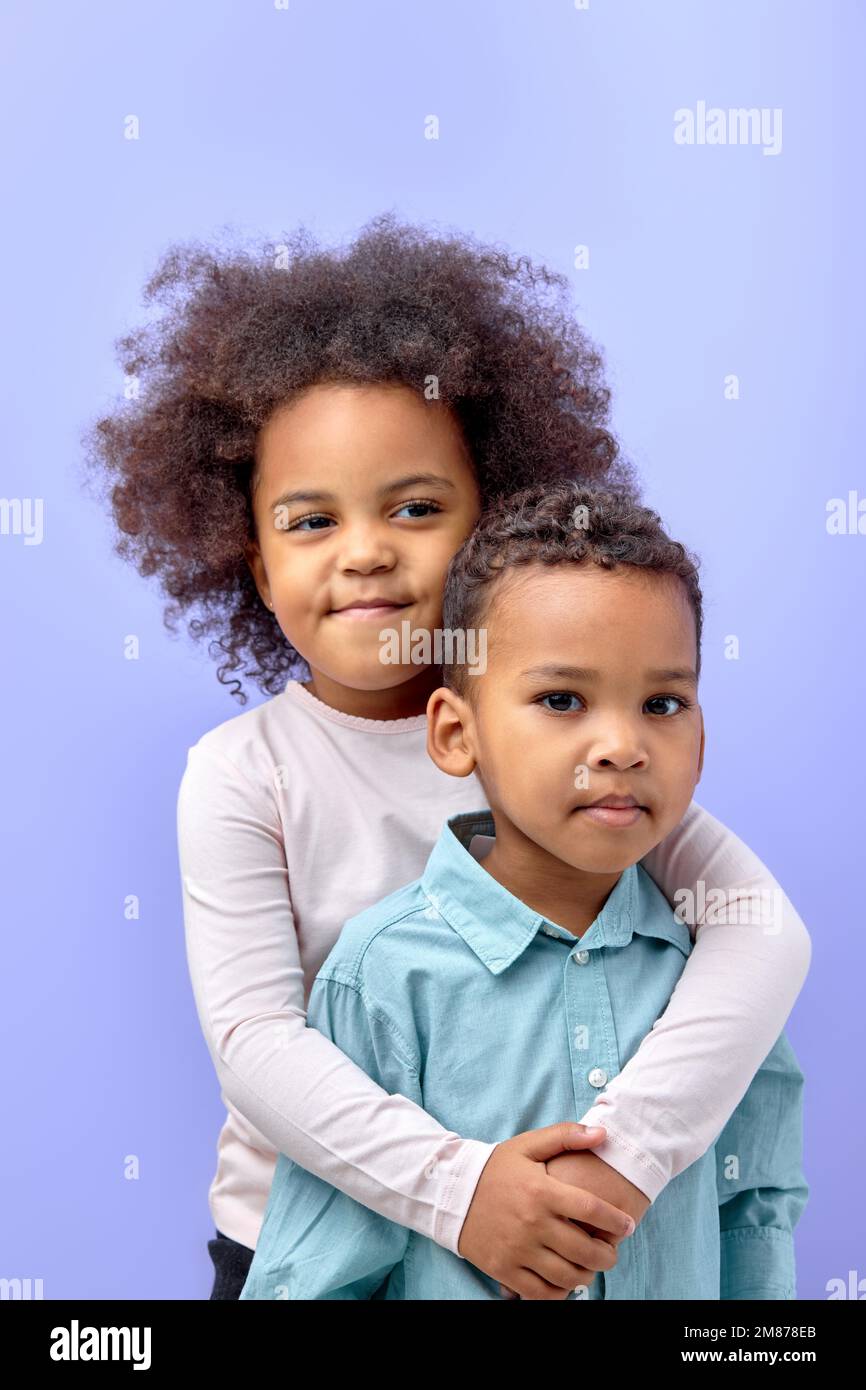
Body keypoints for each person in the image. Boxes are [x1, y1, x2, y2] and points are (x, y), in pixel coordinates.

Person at [83, 215, 810, 1300]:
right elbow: (255, 1042)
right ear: (250, 554)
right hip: (307, 1241)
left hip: (553, 1231)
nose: (365, 548)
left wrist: (624, 1157)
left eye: (415, 506)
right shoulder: (244, 772)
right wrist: (460, 1191)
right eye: (309, 519)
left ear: (492, 514)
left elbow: (762, 936)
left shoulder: (555, 741)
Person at [240, 484, 808, 1300]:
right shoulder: (382, 976)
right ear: (454, 732)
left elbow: (752, 1211)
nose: (620, 745)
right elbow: (314, 1277)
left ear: (703, 734)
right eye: (561, 700)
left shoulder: (718, 984)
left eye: (662, 703)